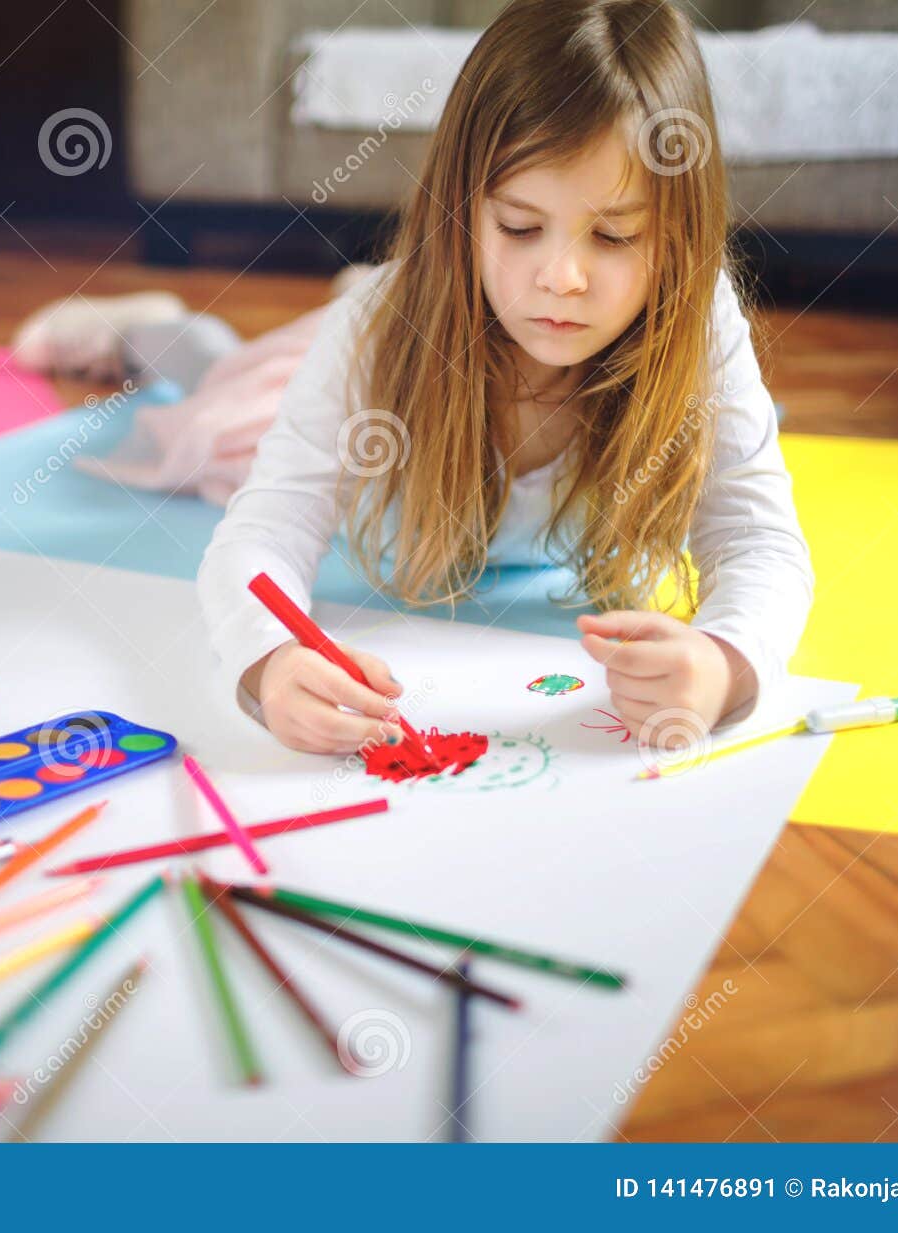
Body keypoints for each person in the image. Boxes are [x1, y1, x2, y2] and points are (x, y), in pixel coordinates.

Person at [186, 0, 812, 753]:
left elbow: (761, 544)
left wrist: (725, 665)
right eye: (520, 226)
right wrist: (269, 664)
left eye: (614, 235)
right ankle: (165, 333)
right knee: (211, 416)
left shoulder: (701, 321)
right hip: (388, 320)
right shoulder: (374, 332)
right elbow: (264, 530)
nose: (561, 277)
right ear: (460, 212)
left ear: (679, 236)